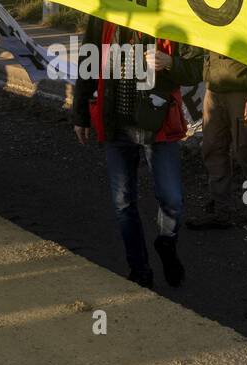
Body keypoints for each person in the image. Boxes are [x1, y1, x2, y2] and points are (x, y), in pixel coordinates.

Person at [71, 17, 202, 288]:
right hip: (117, 126)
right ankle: (139, 269)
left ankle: (166, 243)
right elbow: (88, 61)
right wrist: (81, 114)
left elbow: (197, 68)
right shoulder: (103, 14)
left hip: (159, 124)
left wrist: (170, 63)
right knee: (123, 202)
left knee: (172, 200)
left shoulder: (172, 13)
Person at [186, 52, 247, 228]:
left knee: (245, 152)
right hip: (214, 87)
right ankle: (221, 209)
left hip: (242, 91)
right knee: (213, 148)